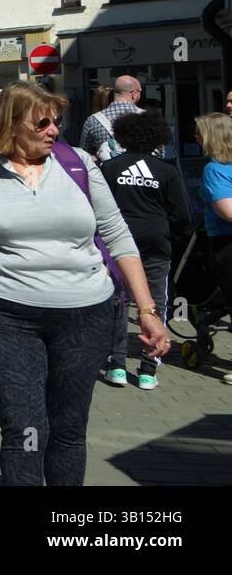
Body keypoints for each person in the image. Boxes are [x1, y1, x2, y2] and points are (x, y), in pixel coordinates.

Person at [0, 80, 164, 486]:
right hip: (8, 316)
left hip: (86, 315)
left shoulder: (80, 163)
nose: (53, 130)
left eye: (56, 121)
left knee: (67, 427)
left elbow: (119, 236)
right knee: (23, 427)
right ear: (11, 124)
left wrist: (148, 311)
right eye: (41, 123)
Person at [99, 113, 193, 390]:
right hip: (156, 241)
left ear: (122, 136)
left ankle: (116, 365)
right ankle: (148, 369)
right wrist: (175, 235)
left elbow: (98, 205)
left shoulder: (110, 168)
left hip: (118, 242)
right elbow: (182, 214)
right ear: (158, 137)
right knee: (155, 301)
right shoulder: (166, 170)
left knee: (118, 301)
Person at [197, 112, 232, 368]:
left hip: (225, 242)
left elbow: (227, 211)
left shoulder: (215, 169)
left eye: (199, 132)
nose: (195, 137)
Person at [79, 75, 144, 162]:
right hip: (143, 172)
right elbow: (160, 152)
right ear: (134, 94)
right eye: (140, 91)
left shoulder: (93, 120)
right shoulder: (147, 118)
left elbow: (83, 154)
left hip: (108, 173)